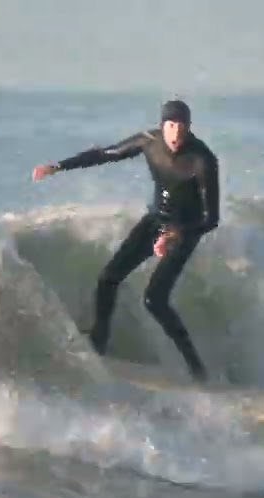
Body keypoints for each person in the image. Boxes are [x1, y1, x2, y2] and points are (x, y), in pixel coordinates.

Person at [31, 99, 219, 382]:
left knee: (154, 300)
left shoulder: (203, 160)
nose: (176, 133)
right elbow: (107, 154)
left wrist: (175, 235)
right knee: (108, 278)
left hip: (185, 229)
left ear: (190, 128)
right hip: (155, 222)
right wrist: (59, 166)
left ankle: (196, 368)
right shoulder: (149, 141)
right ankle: (99, 344)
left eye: (182, 126)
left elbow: (210, 218)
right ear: (162, 125)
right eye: (171, 125)